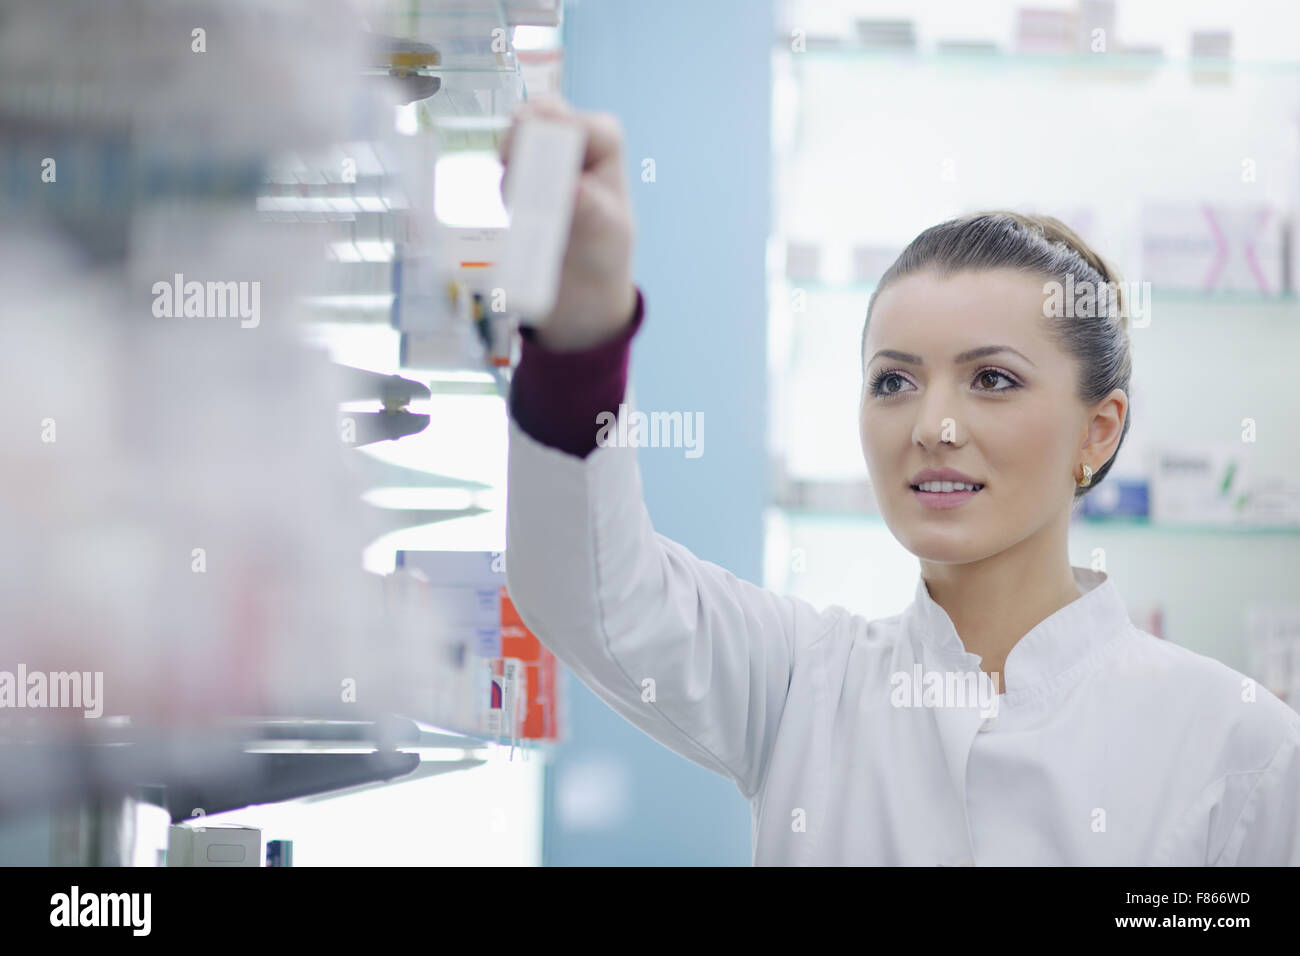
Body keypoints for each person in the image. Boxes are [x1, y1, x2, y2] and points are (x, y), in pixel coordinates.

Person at [499, 96, 1300, 865]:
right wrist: (583, 328)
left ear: (1099, 429)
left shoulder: (1240, 745)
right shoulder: (798, 679)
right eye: (893, 381)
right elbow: (596, 596)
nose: (931, 427)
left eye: (992, 379)